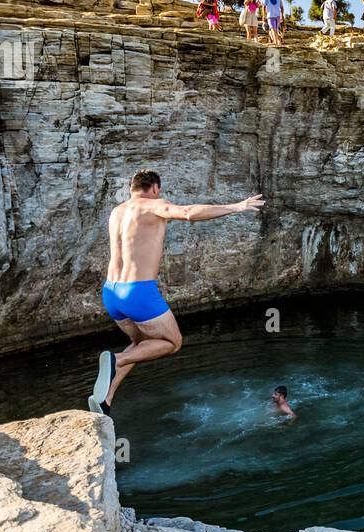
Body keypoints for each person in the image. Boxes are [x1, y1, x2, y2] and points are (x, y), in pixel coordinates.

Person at [89, 170, 265, 414]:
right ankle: (116, 359)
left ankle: (105, 399)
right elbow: (188, 213)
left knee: (141, 343)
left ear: (132, 188)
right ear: (155, 189)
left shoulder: (117, 211)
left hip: (111, 292)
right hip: (137, 293)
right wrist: (236, 207)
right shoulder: (153, 205)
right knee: (173, 342)